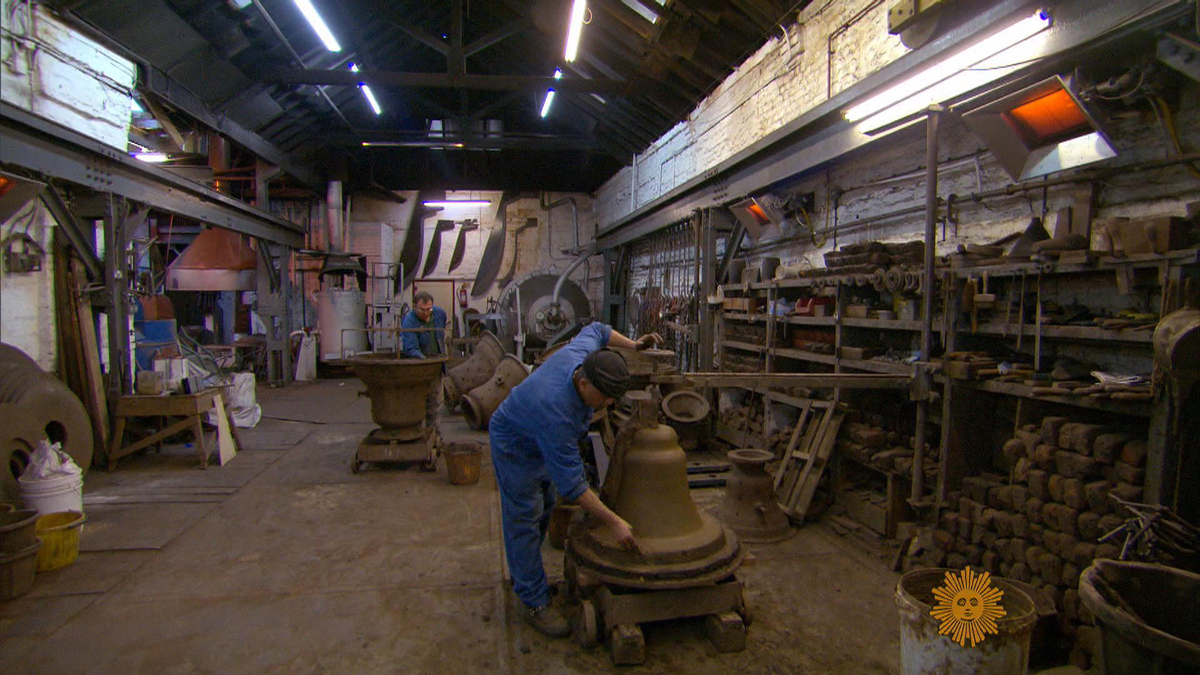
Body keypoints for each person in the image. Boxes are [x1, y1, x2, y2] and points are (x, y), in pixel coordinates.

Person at [489, 322, 661, 637]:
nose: (608, 404)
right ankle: (533, 601)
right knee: (524, 516)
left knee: (546, 505)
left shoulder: (584, 355)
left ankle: (525, 573)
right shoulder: (556, 411)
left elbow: (598, 329)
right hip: (515, 443)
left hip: (535, 431)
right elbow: (574, 486)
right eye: (605, 397)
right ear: (583, 383)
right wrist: (614, 522)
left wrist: (634, 345)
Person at [400, 291, 448, 435]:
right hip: (418, 368)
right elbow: (411, 348)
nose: (426, 313)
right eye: (422, 310)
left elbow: (441, 331)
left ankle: (434, 435)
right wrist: (425, 360)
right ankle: (417, 434)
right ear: (415, 306)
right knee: (418, 403)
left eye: (429, 309)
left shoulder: (439, 313)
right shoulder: (409, 321)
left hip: (436, 367)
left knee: (436, 403)